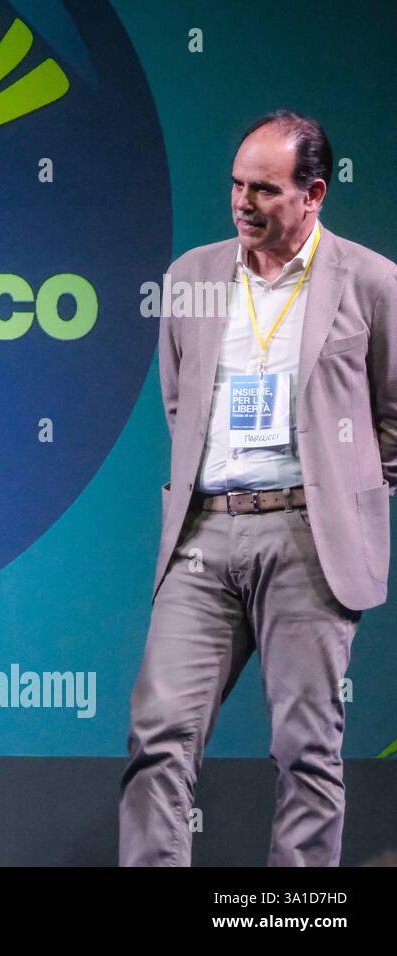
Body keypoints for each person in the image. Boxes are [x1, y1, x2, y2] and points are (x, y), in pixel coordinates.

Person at [120, 110, 396, 866]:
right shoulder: (192, 279)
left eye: (265, 190)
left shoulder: (371, 283)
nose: (243, 202)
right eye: (236, 185)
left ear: (314, 194)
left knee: (306, 751)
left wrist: (344, 489)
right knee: (158, 734)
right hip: (204, 536)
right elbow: (182, 404)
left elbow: (392, 417)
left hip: (310, 536)